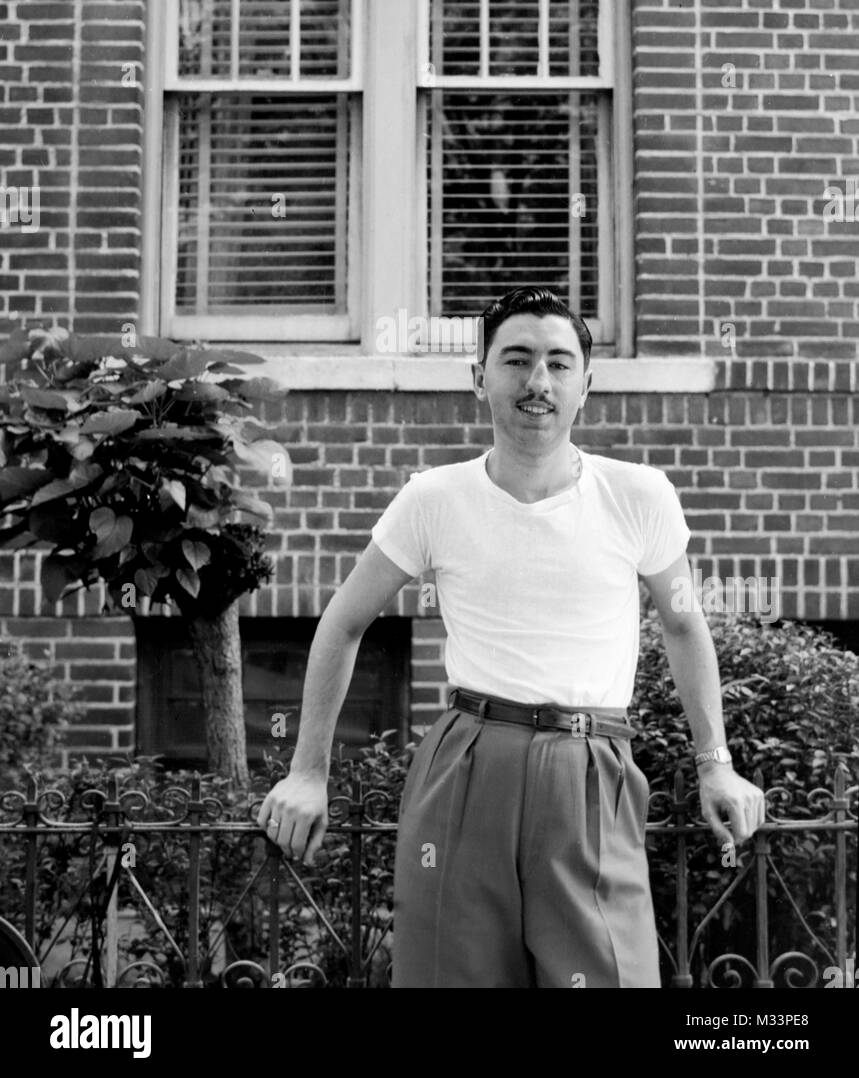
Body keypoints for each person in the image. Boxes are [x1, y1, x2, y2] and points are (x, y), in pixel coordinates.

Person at [258, 287, 766, 988]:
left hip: (592, 770)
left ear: (585, 385)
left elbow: (682, 625)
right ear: (479, 378)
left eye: (559, 364)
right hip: (467, 764)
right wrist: (307, 771)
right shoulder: (433, 498)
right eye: (516, 360)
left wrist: (715, 761)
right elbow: (343, 623)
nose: (537, 383)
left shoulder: (638, 496)